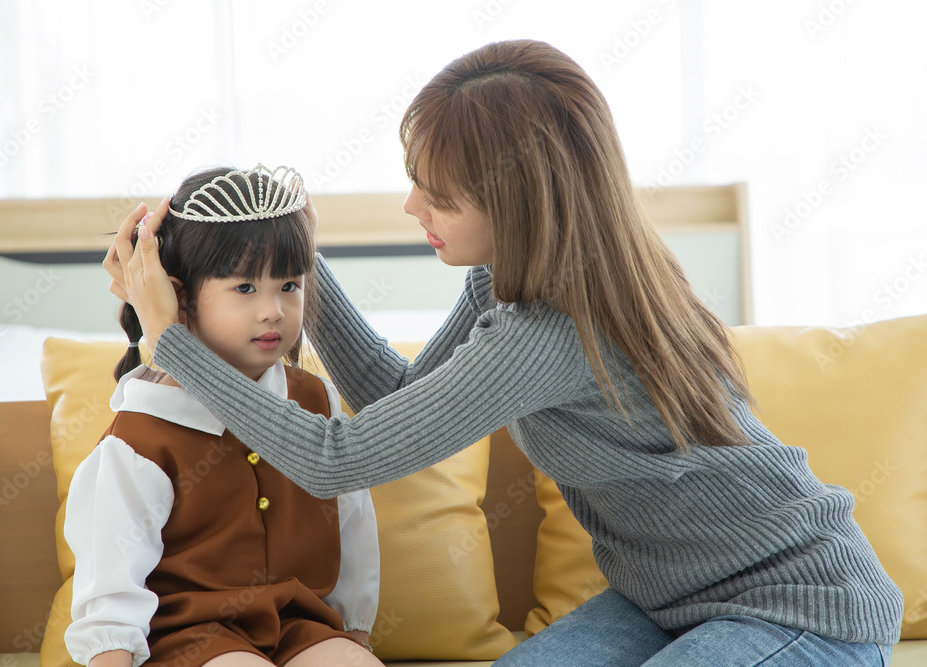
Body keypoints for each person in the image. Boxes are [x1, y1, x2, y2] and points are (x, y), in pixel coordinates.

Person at [104, 40, 901, 666]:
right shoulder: (526, 281)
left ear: (518, 202)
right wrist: (298, 253)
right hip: (669, 599)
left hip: (801, 606)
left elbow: (333, 456)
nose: (413, 206)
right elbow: (396, 404)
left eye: (440, 195)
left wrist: (170, 333)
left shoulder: (549, 329)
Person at [66, 164, 382, 667]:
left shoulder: (317, 399)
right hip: (189, 639)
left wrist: (354, 633)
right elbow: (110, 585)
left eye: (289, 285)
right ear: (177, 296)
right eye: (244, 288)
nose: (273, 310)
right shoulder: (138, 437)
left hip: (300, 627)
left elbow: (354, 526)